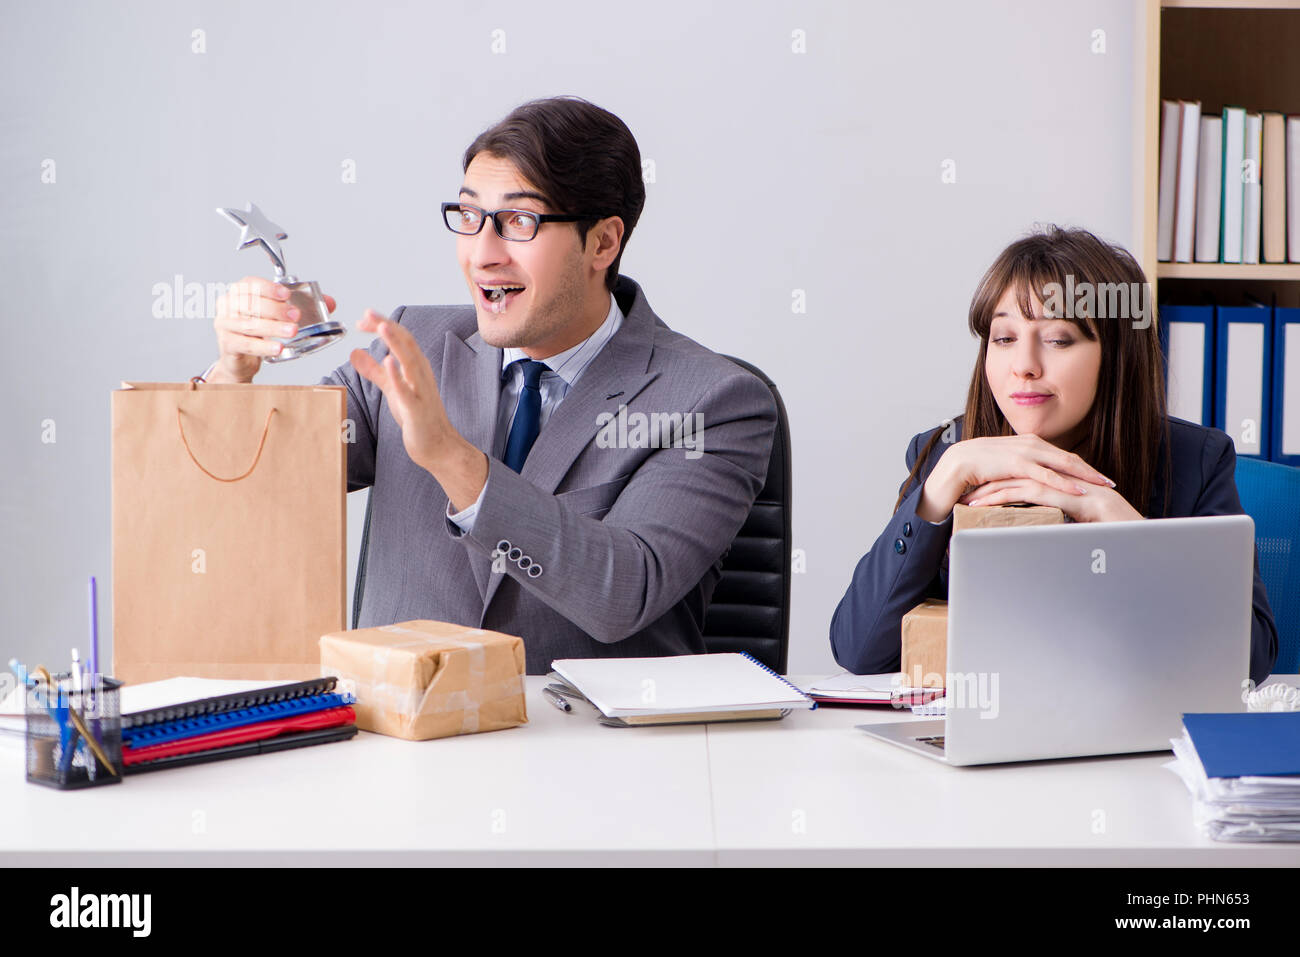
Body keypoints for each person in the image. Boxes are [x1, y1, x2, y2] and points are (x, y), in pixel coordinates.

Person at [203, 97, 778, 673]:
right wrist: (232, 374)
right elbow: (254, 486)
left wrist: (452, 458)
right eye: (470, 216)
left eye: (519, 222)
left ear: (602, 243)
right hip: (400, 741)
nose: (482, 254)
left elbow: (622, 591)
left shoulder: (713, 400)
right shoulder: (414, 343)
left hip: (589, 751)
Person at [829, 225, 1278, 686]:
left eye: (1058, 339)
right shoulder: (947, 452)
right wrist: (940, 488)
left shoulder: (1195, 460)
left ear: (1117, 356)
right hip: (977, 728)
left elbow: (1249, 662)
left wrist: (1125, 527)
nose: (1023, 365)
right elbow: (859, 651)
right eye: (1003, 338)